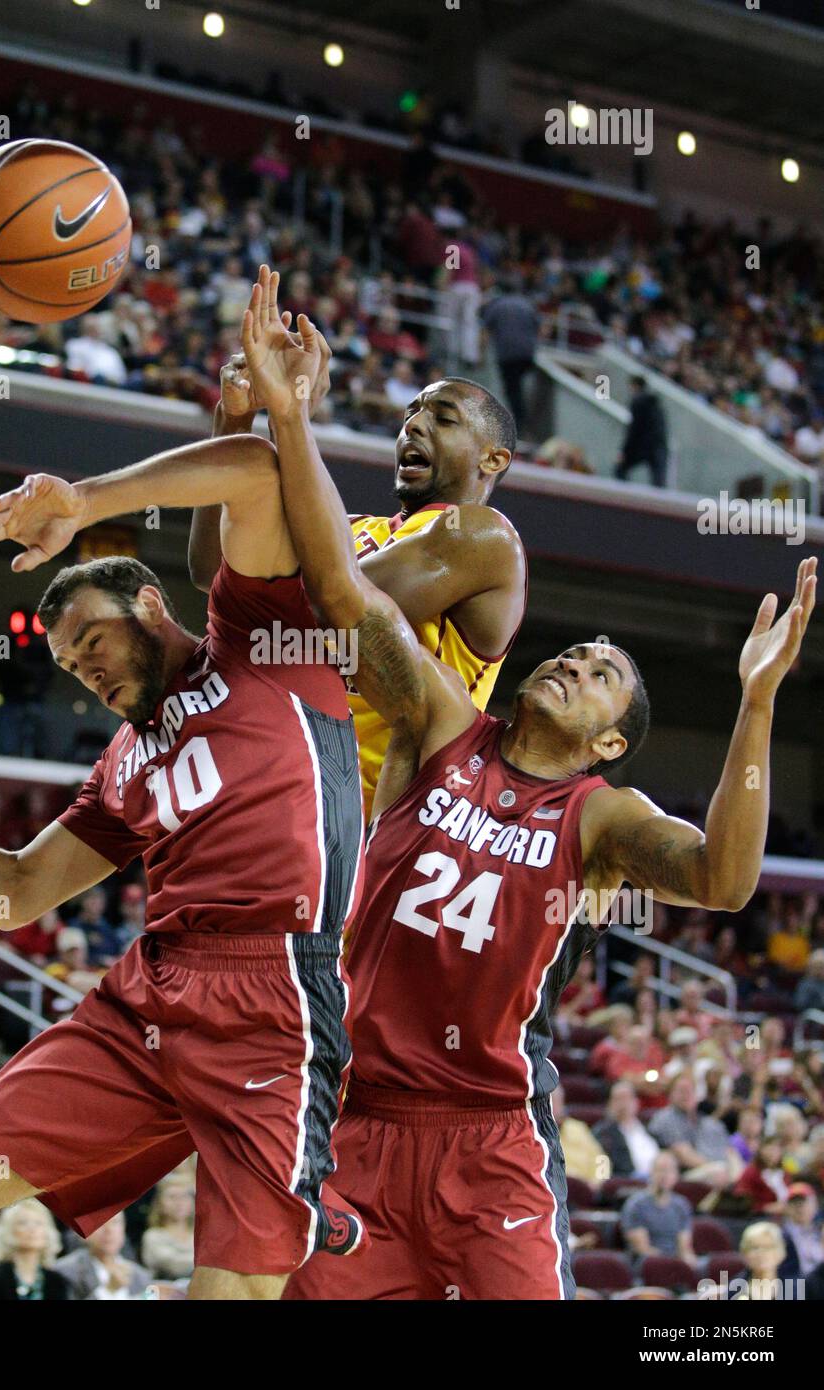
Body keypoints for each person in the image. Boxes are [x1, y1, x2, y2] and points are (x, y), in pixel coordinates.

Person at [228, 270, 815, 1299]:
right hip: (355, 1117)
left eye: (603, 674)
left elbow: (724, 881)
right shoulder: (440, 726)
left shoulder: (601, 817)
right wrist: (285, 421)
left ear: (608, 744)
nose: (577, 659)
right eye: (578, 649)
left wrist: (755, 702)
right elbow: (346, 602)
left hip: (491, 1136)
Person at [0, 418, 366, 1303]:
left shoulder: (264, 641)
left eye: (92, 646)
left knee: (230, 1292)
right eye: (68, 666)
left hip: (276, 994)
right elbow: (16, 892)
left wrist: (85, 502)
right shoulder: (121, 758)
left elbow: (257, 471)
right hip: (150, 990)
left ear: (149, 607)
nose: (85, 675)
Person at [188, 268, 527, 818]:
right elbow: (213, 570)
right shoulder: (346, 528)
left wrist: (290, 414)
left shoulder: (484, 539)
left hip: (381, 823)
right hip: (286, 799)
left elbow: (334, 605)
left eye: (442, 419)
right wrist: (236, 415)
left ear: (493, 460)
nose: (413, 426)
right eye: (411, 413)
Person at [0, 1199, 69, 1301]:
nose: (32, 1229)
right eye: (23, 1223)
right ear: (9, 1231)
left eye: (38, 1223)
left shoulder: (56, 1282)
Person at [482, 275, 539, 434]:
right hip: (527, 354)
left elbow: (485, 332)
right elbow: (539, 328)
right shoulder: (527, 305)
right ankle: (522, 423)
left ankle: (519, 426)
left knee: (513, 391)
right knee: (520, 390)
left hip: (508, 354)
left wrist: (480, 356)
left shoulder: (497, 305)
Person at [53, 1211, 152, 1299]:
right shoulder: (65, 1272)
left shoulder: (140, 1275)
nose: (109, 1230)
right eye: (100, 1223)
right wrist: (109, 1290)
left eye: (115, 1222)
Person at [619, 1152, 697, 1263]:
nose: (665, 1175)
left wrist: (689, 1262)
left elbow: (685, 1248)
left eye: (670, 1171)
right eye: (661, 1170)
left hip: (675, 1262)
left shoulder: (681, 1205)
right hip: (648, 1264)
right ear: (651, 1173)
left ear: (677, 1175)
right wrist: (672, 1263)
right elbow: (642, 1249)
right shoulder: (636, 1204)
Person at [592, 1080, 660, 1180]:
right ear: (609, 1104)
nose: (623, 1104)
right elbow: (602, 1173)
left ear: (636, 1102)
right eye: (618, 1099)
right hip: (628, 1185)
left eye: (626, 1098)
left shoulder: (649, 1129)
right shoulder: (603, 1134)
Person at [615, 376, 669, 488]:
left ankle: (622, 496)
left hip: (643, 446)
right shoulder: (656, 403)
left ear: (635, 385)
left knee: (620, 469)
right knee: (659, 481)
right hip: (658, 445)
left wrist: (625, 451)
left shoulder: (638, 401)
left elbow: (634, 429)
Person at [140, 1175, 195, 1281]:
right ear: (159, 1203)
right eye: (172, 1197)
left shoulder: (200, 1236)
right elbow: (174, 1265)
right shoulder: (153, 1236)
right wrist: (208, 1262)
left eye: (185, 1196)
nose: (179, 1202)